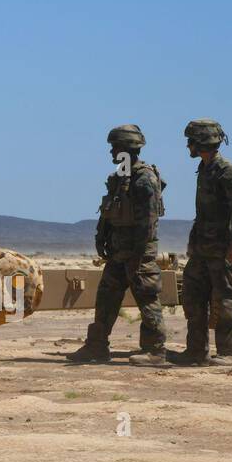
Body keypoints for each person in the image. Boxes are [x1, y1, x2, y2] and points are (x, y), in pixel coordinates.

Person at [68, 125, 168, 365]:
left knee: (147, 299)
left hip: (138, 253)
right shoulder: (118, 178)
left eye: (116, 148)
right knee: (106, 298)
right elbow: (109, 212)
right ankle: (96, 346)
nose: (112, 152)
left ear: (127, 150)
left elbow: (148, 222)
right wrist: (101, 238)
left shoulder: (145, 178)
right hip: (117, 252)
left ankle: (155, 350)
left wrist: (139, 252)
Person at [172, 119, 232, 366]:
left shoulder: (225, 170)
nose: (188, 146)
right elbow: (203, 213)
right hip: (203, 248)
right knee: (193, 296)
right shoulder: (205, 169)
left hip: (224, 248)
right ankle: (196, 351)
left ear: (201, 142)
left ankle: (229, 354)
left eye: (191, 141)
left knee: (227, 300)